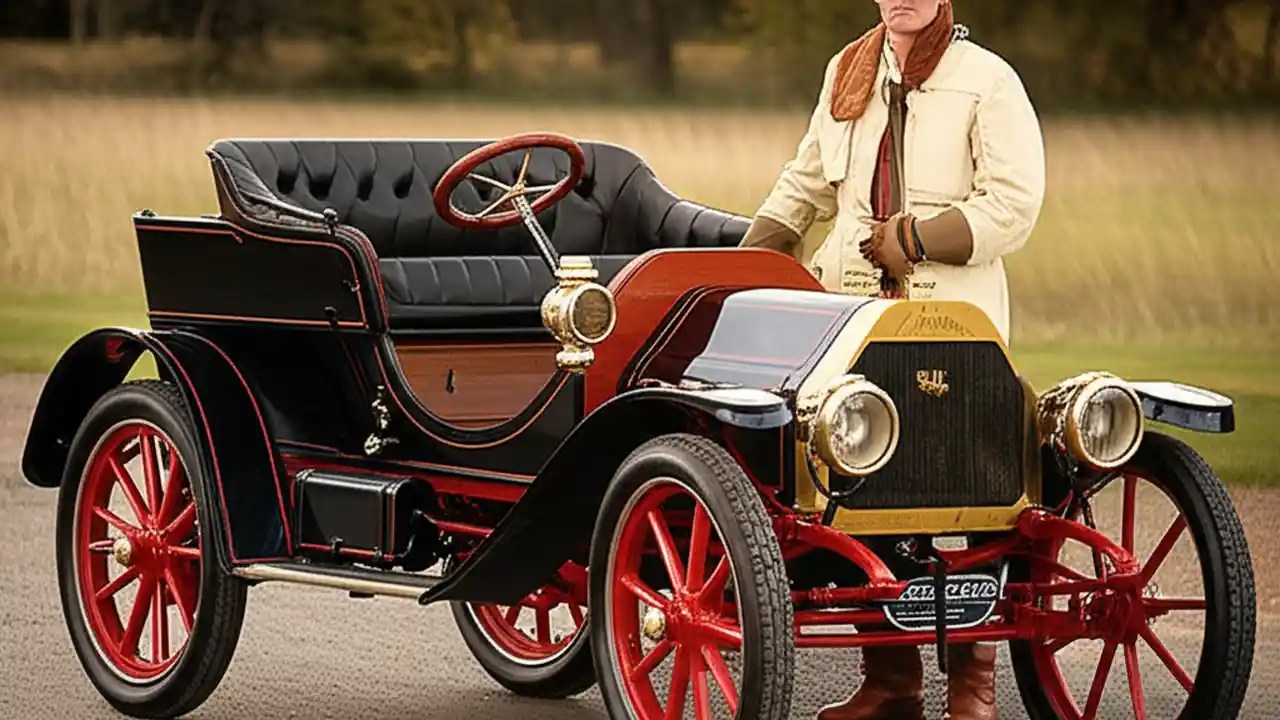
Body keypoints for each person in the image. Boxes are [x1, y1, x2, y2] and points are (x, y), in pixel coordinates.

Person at [741, 1, 1046, 719]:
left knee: (982, 486)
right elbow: (809, 180)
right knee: (847, 484)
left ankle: (973, 690)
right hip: (846, 316)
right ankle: (891, 684)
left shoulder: (989, 81)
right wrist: (753, 250)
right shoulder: (847, 71)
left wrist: (915, 236)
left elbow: (1013, 205)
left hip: (952, 324)